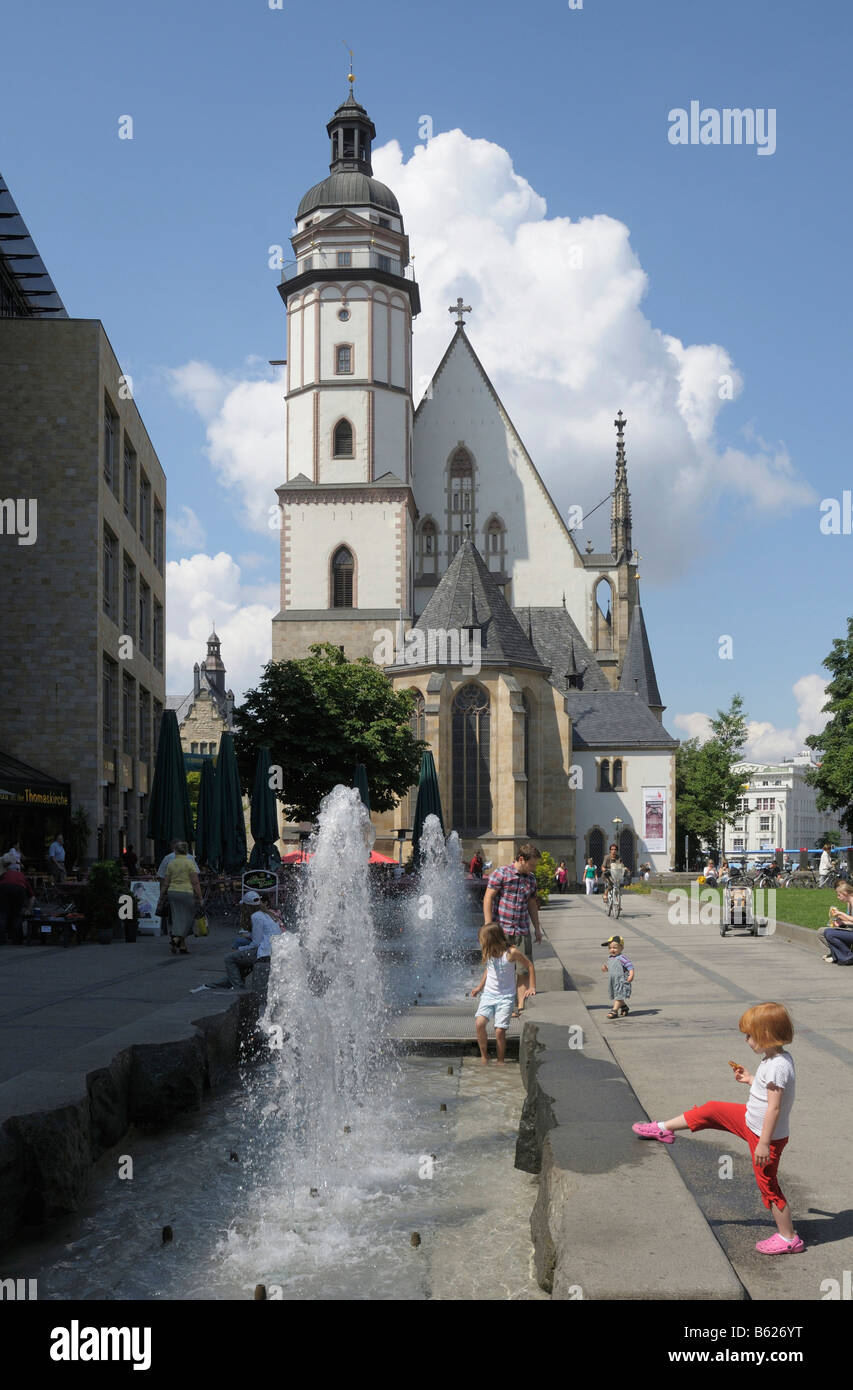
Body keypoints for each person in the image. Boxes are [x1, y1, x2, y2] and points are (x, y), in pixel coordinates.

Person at [632, 1001, 803, 1255]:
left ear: (766, 1035)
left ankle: (789, 1238)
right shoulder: (773, 1058)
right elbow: (766, 1092)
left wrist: (764, 1144)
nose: (746, 1040)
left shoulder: (778, 1066)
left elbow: (775, 1108)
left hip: (764, 1135)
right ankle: (662, 1128)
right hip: (749, 1121)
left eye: (749, 1035)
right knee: (711, 1110)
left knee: (767, 1184)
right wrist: (750, 1079)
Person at [483, 843, 542, 1017]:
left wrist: (536, 928)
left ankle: (520, 1006)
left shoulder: (531, 879)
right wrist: (488, 926)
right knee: (501, 970)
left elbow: (531, 904)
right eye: (532, 864)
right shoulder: (501, 874)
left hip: (522, 929)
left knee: (523, 969)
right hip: (502, 930)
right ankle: (503, 1004)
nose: (533, 868)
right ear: (521, 859)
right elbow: (488, 898)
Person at [470, 923, 536, 1065]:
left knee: (499, 1031)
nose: (481, 943)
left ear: (492, 939)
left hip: (505, 997)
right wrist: (479, 987)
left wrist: (532, 987)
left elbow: (529, 965)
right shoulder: (489, 952)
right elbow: (489, 970)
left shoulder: (511, 953)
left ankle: (500, 1061)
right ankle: (484, 1056)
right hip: (488, 994)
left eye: (482, 940)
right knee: (479, 1024)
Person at [223, 890, 283, 990]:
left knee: (229, 958)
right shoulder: (268, 914)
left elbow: (256, 943)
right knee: (240, 951)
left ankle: (239, 987)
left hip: (265, 952)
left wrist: (241, 949)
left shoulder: (256, 916)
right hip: (274, 949)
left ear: (247, 906)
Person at [162, 842, 202, 955]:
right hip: (186, 892)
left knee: (177, 918)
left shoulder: (171, 863)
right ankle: (176, 940)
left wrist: (161, 897)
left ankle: (182, 946)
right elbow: (195, 882)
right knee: (189, 919)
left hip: (173, 892)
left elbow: (165, 882)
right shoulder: (190, 863)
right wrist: (200, 897)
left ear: (175, 851)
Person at [0, 861, 35, 944]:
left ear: (8, 870)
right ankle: (17, 940)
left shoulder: (4, 875)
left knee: (2, 914)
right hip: (19, 890)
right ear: (18, 869)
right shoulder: (22, 876)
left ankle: (1, 939)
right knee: (17, 915)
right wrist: (28, 909)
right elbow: (32, 897)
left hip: (4, 889)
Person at [819, 882, 853, 965]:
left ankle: (847, 956)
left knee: (829, 933)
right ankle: (839, 956)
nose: (838, 898)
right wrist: (840, 921)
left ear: (845, 893)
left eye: (839, 895)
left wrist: (841, 914)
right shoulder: (850, 903)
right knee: (825, 931)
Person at [601, 934, 634, 1018]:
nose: (612, 950)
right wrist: (606, 968)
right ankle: (624, 1007)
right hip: (614, 981)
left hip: (621, 980)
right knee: (618, 995)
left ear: (621, 948)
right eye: (610, 948)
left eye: (615, 948)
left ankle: (614, 1011)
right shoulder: (611, 958)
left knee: (618, 996)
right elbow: (611, 967)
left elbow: (630, 966)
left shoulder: (622, 958)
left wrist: (631, 974)